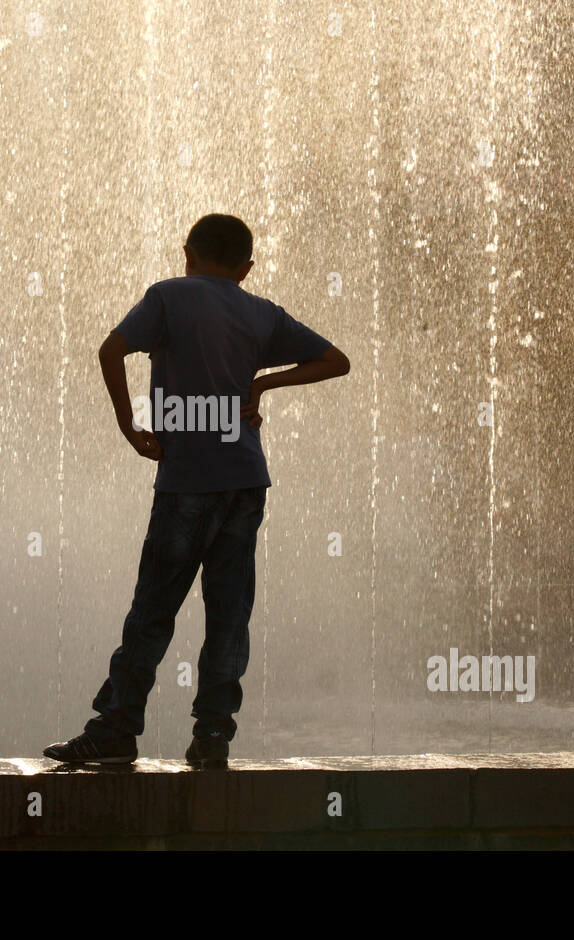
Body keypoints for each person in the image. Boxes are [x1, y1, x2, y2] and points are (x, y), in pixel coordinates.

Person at [43, 214, 350, 768]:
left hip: (187, 484)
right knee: (228, 614)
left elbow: (110, 351)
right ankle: (212, 739)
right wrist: (263, 382)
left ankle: (116, 730)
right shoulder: (262, 313)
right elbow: (336, 361)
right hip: (245, 483)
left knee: (153, 611)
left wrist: (128, 426)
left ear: (187, 252)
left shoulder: (166, 297)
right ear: (246, 268)